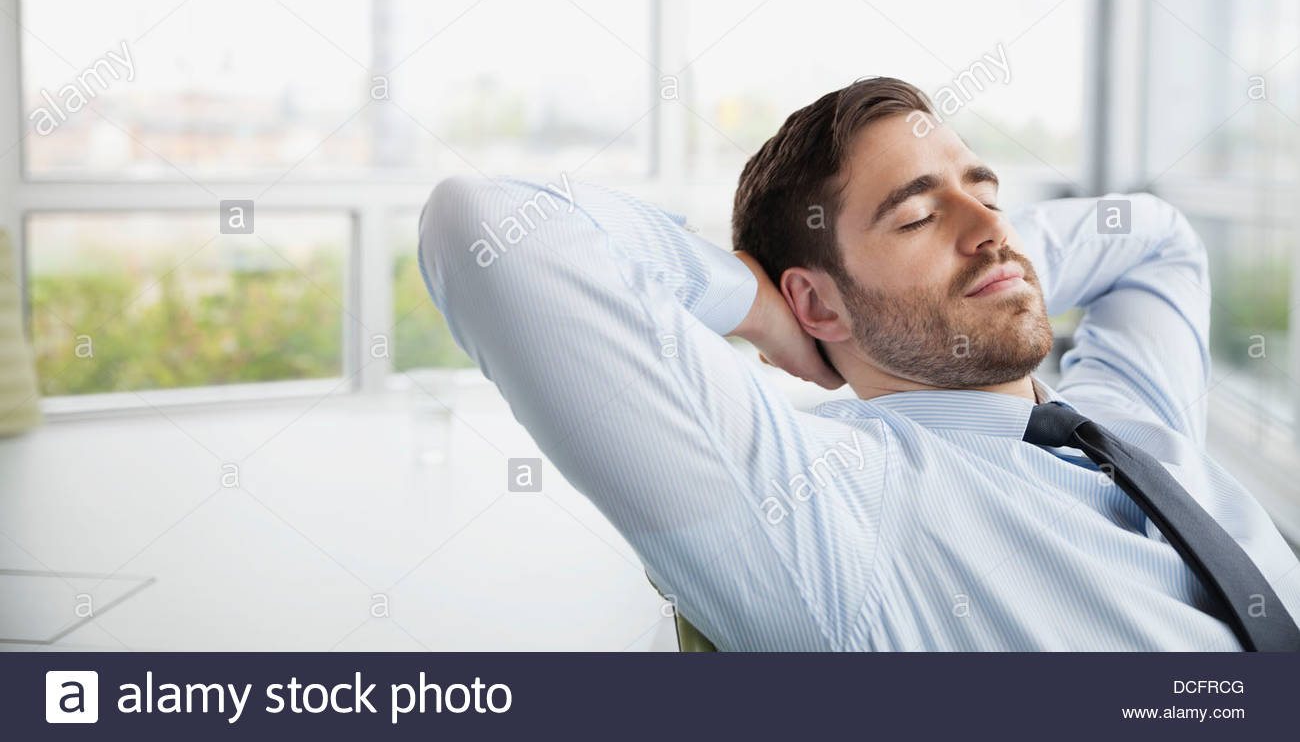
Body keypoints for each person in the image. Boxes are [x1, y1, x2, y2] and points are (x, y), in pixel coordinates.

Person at [417, 76, 1300, 650]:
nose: (990, 224)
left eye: (987, 194)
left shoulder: (1130, 420)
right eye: (916, 218)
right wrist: (757, 307)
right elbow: (487, 230)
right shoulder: (835, 509)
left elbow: (1156, 241)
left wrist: (989, 266)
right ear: (819, 302)